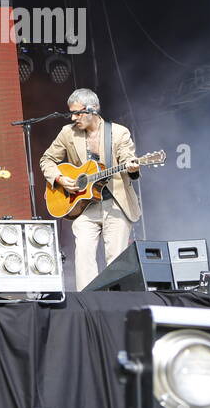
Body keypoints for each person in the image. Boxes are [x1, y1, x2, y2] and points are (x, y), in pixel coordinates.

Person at [39, 88, 141, 291]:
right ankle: (88, 302)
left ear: (93, 110)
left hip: (115, 203)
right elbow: (47, 159)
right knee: (83, 255)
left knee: (116, 258)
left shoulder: (118, 132)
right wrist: (59, 178)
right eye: (71, 113)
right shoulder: (68, 133)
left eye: (78, 113)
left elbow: (128, 157)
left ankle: (117, 304)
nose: (74, 117)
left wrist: (132, 166)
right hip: (85, 206)